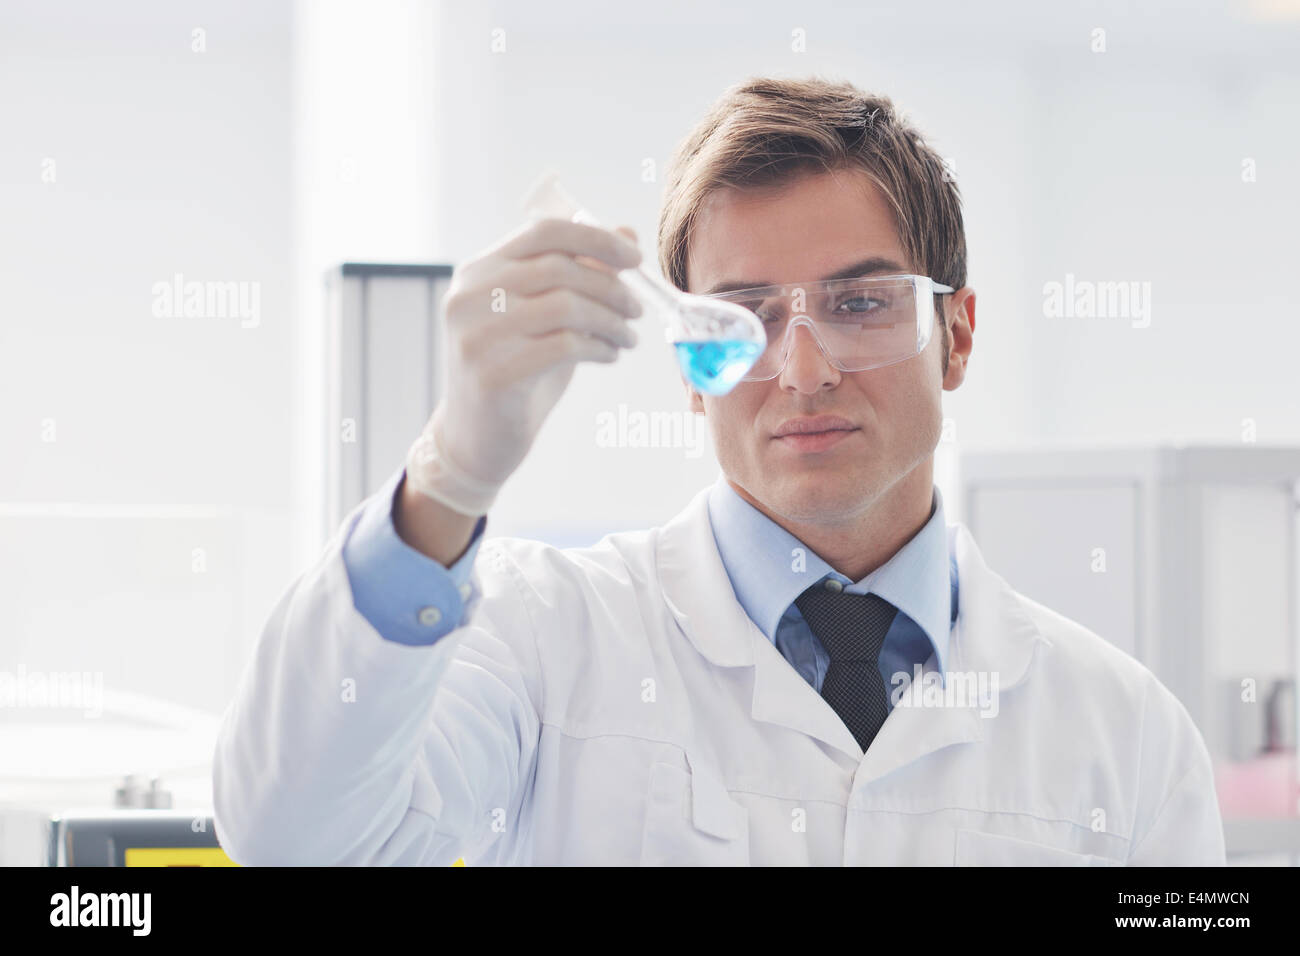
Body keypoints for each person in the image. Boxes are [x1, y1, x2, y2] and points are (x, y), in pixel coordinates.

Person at [213, 75, 1225, 865]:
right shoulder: (546, 636)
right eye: (740, 318)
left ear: (955, 335)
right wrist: (447, 477)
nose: (800, 368)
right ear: (688, 373)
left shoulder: (1124, 733)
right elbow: (300, 835)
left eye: (861, 302)